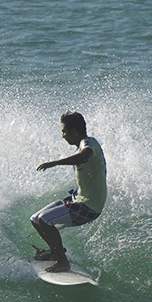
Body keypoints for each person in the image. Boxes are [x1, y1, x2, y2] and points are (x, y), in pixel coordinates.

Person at [31, 111, 106, 273]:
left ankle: (62, 261)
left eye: (64, 131)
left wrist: (55, 163)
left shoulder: (89, 143)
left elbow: (84, 157)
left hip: (89, 206)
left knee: (45, 220)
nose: (63, 136)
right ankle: (54, 252)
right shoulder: (82, 145)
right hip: (77, 199)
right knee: (35, 219)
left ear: (75, 131)